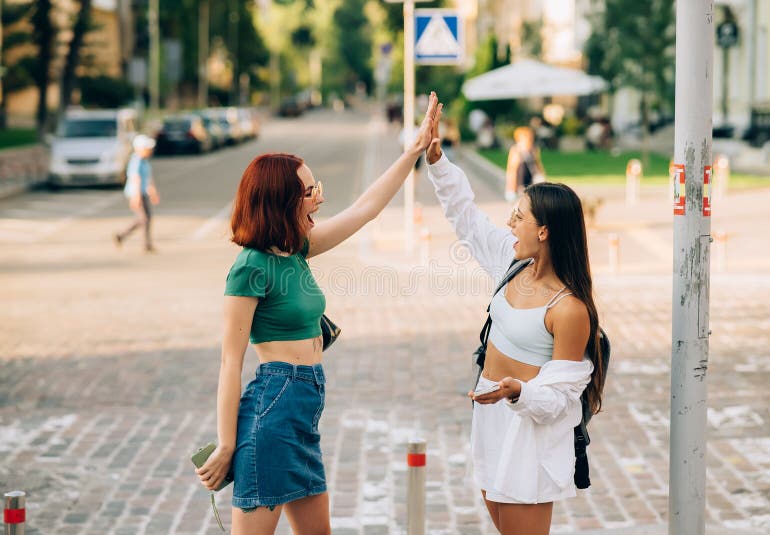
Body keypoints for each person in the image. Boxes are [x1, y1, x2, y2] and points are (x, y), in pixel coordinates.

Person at [194, 93, 440, 534]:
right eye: (310, 191)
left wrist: (413, 150)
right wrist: (228, 443)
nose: (319, 199)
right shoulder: (250, 267)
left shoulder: (295, 249)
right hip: (271, 413)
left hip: (302, 412)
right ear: (280, 200)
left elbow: (365, 209)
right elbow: (230, 361)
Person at [426, 102, 605, 535]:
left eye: (519, 217)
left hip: (528, 430)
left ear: (543, 231)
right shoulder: (512, 263)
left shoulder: (569, 308)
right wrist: (437, 162)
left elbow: (561, 400)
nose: (509, 222)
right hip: (490, 415)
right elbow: (466, 219)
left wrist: (517, 392)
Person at [114, 134, 159, 252]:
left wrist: (152, 191)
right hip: (136, 193)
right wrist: (136, 197)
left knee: (145, 218)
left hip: (143, 192)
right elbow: (136, 179)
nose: (150, 150)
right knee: (143, 219)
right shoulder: (136, 161)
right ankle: (144, 243)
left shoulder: (145, 161)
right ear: (139, 148)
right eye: (147, 148)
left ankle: (124, 237)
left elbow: (148, 178)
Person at [505, 126, 546, 202]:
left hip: (532, 178)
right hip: (520, 180)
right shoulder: (516, 150)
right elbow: (512, 170)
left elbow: (538, 164)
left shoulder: (534, 149)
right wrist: (510, 187)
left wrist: (542, 175)